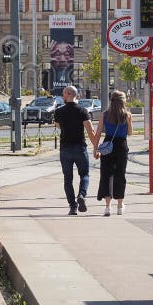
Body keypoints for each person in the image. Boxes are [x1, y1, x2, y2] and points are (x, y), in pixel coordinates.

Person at [54, 85, 97, 215]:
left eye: (63, 94)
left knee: (68, 179)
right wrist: (96, 147)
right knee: (84, 175)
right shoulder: (82, 110)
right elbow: (90, 130)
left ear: (67, 94)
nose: (62, 96)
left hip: (65, 148)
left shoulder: (59, 112)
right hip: (80, 147)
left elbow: (58, 126)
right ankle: (82, 195)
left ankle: (72, 207)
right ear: (76, 95)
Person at [93, 90, 133, 216]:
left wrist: (96, 149)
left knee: (106, 174)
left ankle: (107, 207)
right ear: (123, 101)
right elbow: (130, 133)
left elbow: (98, 133)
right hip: (121, 146)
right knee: (120, 174)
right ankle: (120, 206)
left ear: (111, 101)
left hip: (107, 146)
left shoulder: (104, 115)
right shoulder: (127, 115)